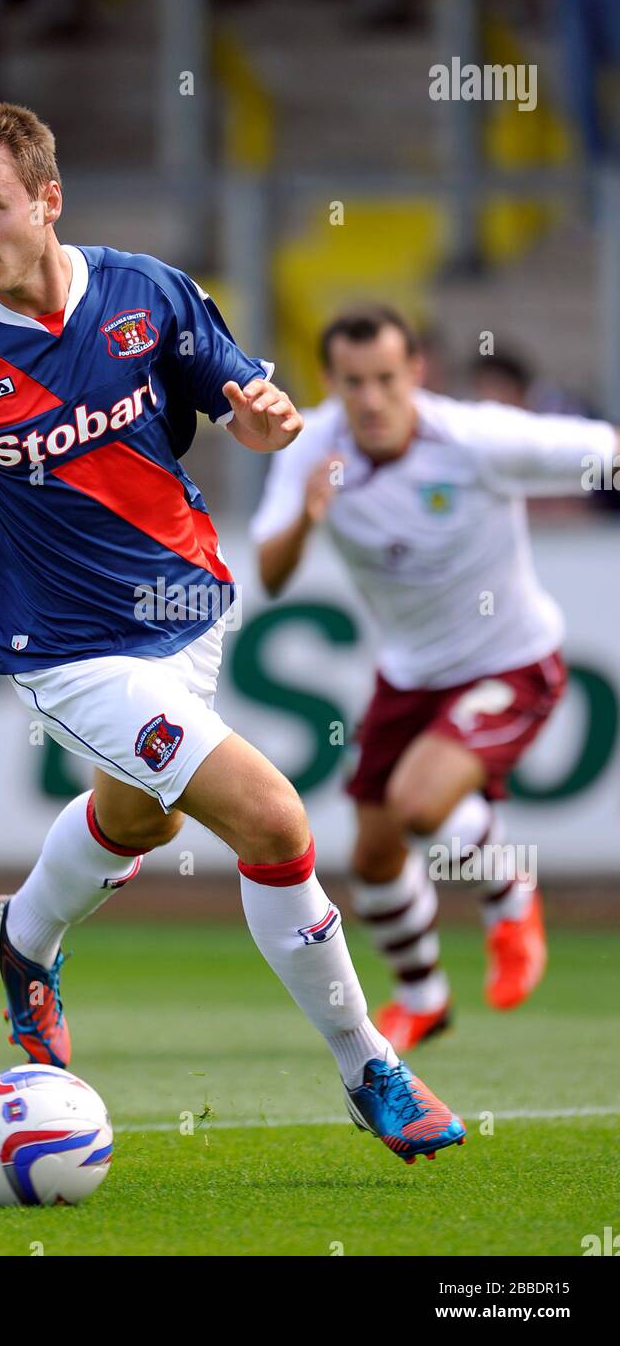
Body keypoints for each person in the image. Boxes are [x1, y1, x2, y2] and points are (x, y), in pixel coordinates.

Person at [0, 104, 465, 1165]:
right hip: (64, 649)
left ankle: (22, 940)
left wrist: (262, 420)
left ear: (48, 201)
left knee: (141, 822)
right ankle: (371, 1067)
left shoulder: (146, 293)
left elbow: (239, 395)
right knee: (270, 819)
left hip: (185, 615)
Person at [252, 305, 618, 1051]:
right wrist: (308, 519)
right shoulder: (310, 446)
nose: (373, 399)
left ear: (416, 373)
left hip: (509, 661)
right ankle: (424, 995)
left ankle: (510, 888)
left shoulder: (474, 437)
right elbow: (271, 571)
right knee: (373, 855)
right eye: (354, 383)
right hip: (409, 674)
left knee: (421, 806)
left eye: (388, 379)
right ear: (330, 383)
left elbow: (604, 451)